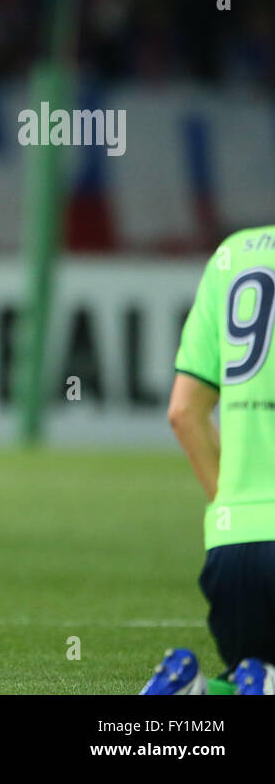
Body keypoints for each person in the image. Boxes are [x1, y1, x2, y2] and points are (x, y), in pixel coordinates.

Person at [140, 225, 275, 695]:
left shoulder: (233, 255)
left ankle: (195, 690)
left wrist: (237, 504)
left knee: (251, 670)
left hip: (233, 552)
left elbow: (183, 412)